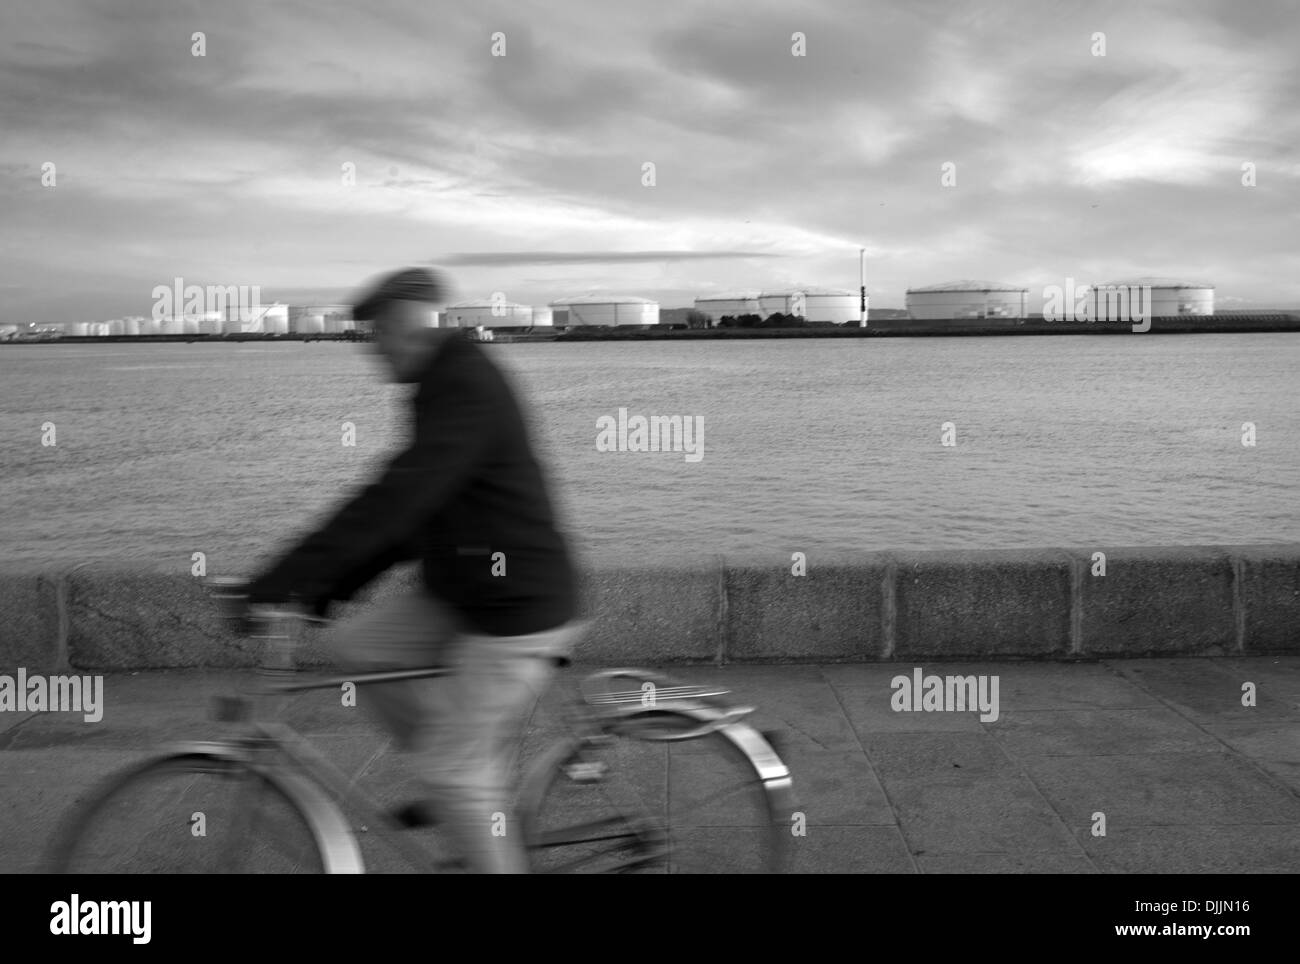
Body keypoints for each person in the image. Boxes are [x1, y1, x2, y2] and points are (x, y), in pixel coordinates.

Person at [243, 266, 584, 873]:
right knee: (359, 645)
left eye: (376, 334)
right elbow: (409, 520)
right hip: (465, 591)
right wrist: (317, 592)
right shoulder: (436, 385)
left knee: (452, 765)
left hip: (517, 608)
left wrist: (276, 580)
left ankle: (463, 781)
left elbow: (394, 499)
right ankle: (465, 782)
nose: (370, 350)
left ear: (407, 325)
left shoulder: (464, 384)